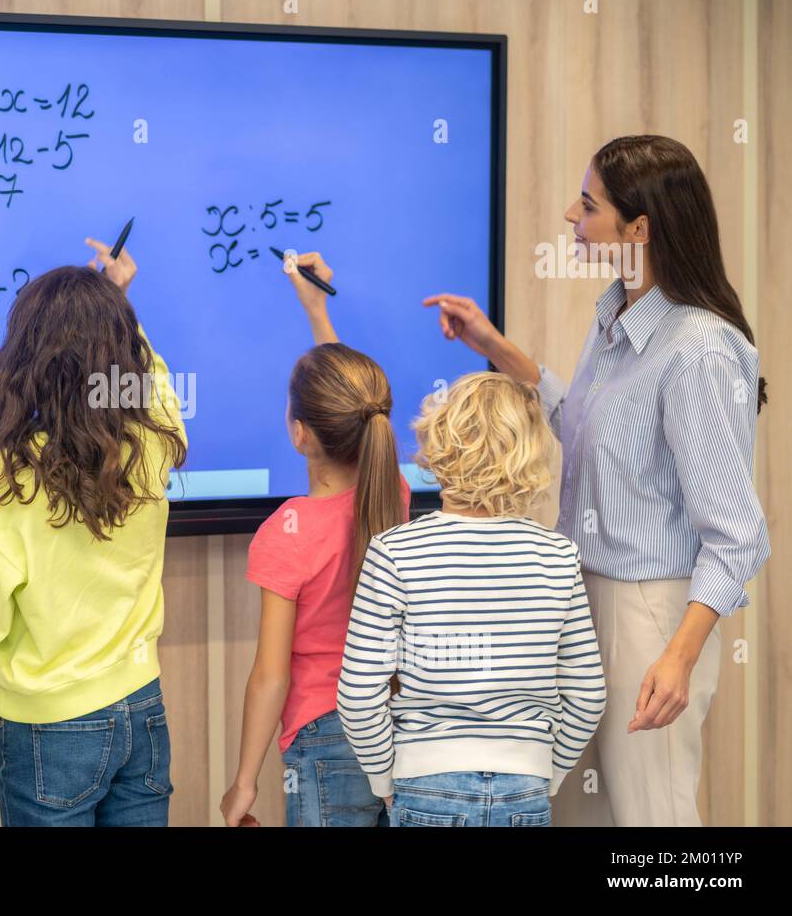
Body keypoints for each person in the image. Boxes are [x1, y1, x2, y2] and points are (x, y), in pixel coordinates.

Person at [423, 135, 769, 825]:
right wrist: (492, 346)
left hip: (653, 615)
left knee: (651, 821)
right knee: (586, 815)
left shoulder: (699, 349)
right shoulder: (614, 314)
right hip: (582, 600)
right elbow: (579, 423)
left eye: (587, 205)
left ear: (638, 228)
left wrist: (678, 657)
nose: (568, 216)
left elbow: (738, 538)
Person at [0, 240, 187, 827]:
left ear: (24, 357)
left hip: (50, 728)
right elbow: (153, 381)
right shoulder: (151, 442)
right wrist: (119, 307)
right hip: (143, 707)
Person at [338, 372, 607, 827]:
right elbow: (588, 694)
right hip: (524, 787)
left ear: (438, 443)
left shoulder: (394, 552)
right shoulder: (558, 556)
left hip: (425, 783)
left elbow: (359, 696)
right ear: (529, 454)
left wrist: (386, 778)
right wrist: (548, 770)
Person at [221, 252, 409, 827]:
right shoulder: (393, 494)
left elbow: (271, 674)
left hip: (325, 740)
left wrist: (244, 783)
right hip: (398, 728)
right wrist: (317, 313)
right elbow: (359, 409)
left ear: (299, 433)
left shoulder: (286, 532)